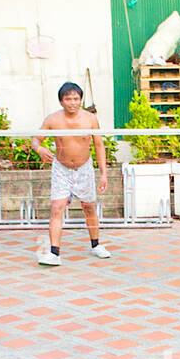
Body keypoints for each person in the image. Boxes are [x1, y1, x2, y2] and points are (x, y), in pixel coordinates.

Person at [31, 82, 110, 267]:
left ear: (81, 99)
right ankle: (54, 253)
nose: (72, 102)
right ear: (61, 101)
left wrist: (103, 173)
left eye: (76, 98)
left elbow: (99, 145)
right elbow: (36, 139)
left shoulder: (90, 119)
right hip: (62, 168)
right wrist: (40, 149)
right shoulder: (53, 119)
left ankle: (96, 244)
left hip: (84, 168)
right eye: (68, 99)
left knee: (89, 207)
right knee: (57, 208)